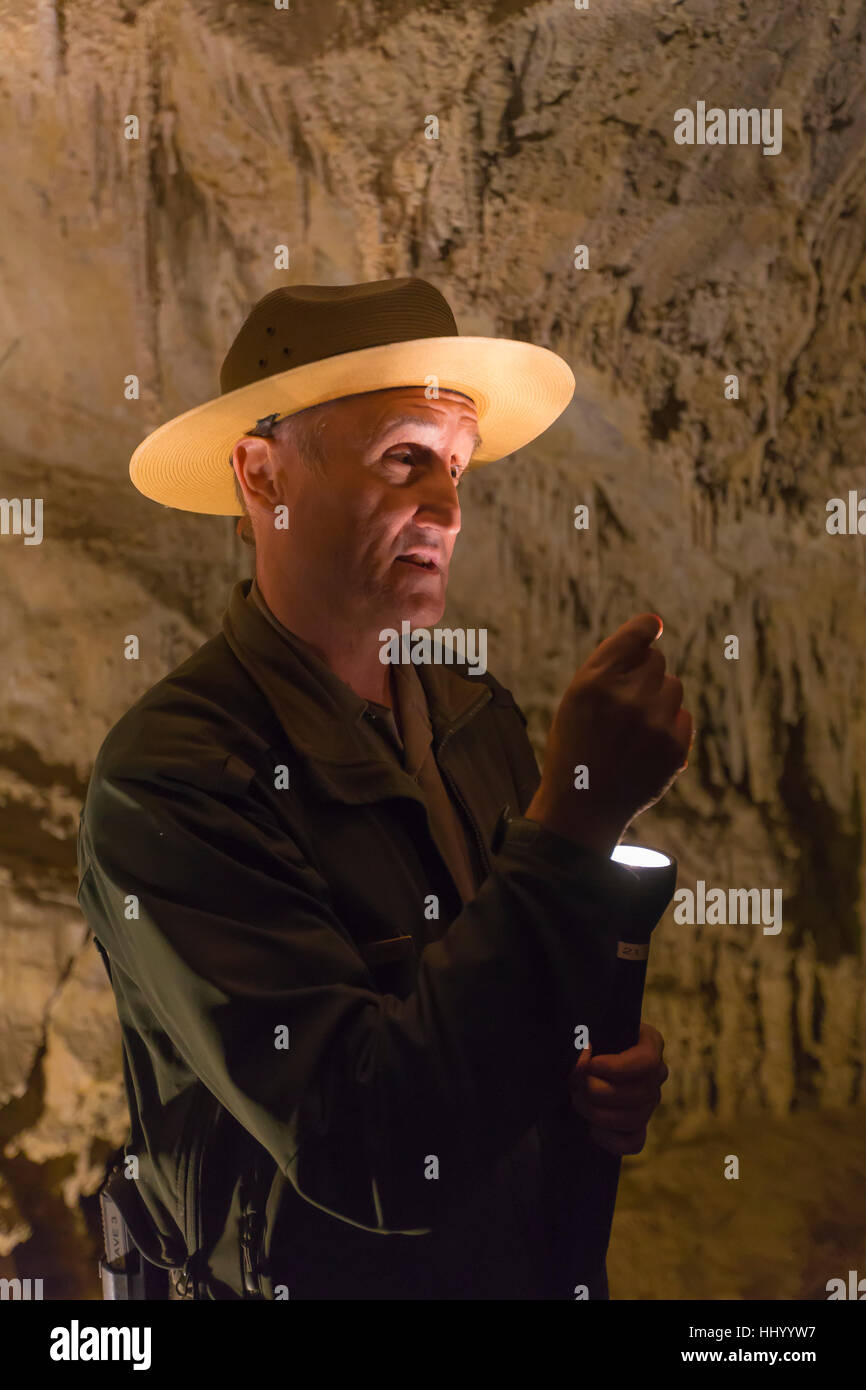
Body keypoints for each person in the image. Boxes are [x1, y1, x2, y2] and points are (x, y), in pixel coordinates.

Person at [77, 276, 692, 1300]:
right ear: (262, 474)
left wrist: (596, 1073)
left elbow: (515, 1003)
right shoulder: (172, 780)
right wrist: (577, 818)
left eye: (455, 465)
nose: (447, 506)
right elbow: (371, 1145)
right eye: (405, 457)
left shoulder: (473, 718)